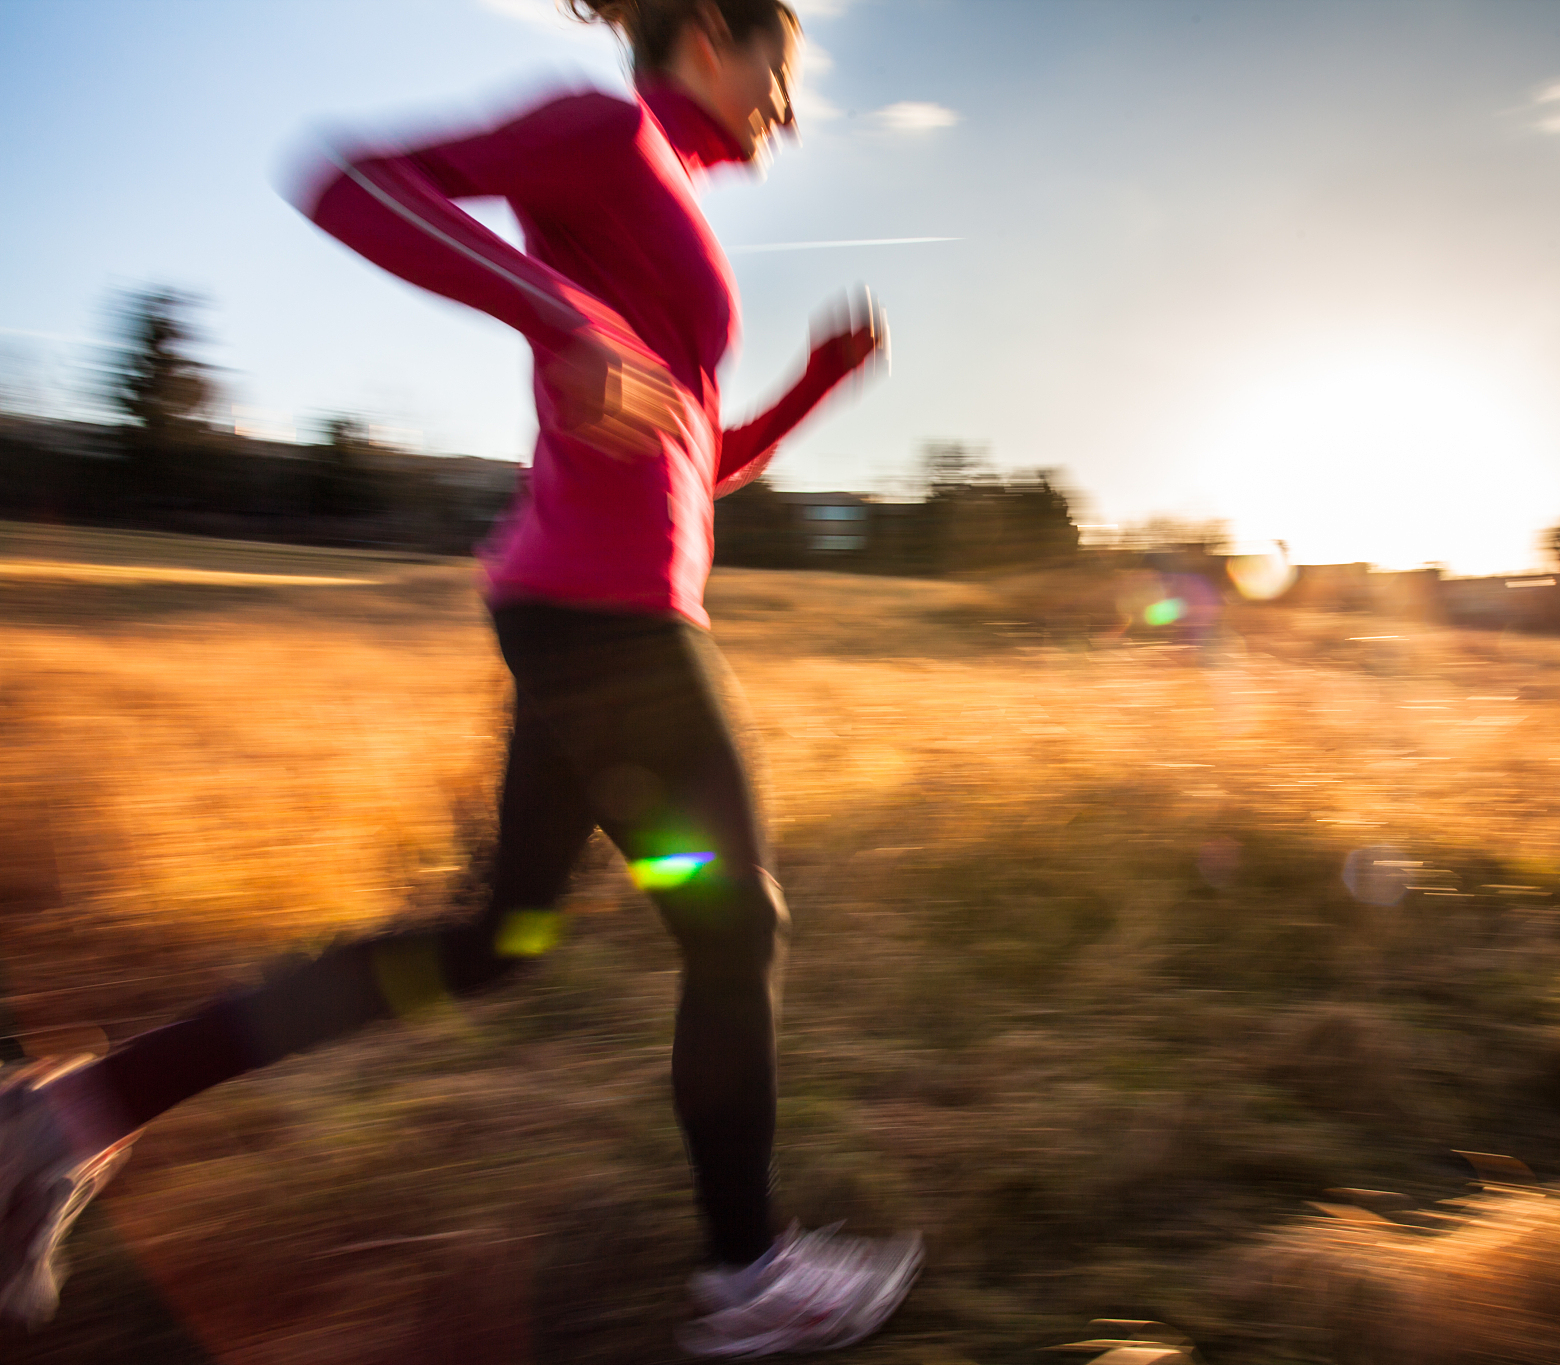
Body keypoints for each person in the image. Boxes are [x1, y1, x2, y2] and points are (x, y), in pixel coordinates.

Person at [0, 0, 921, 1355]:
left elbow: (691, 457)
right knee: (734, 928)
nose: (787, 105)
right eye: (781, 69)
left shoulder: (654, 186)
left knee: (497, 938)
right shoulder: (606, 130)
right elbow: (351, 180)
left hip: (582, 606)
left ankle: (58, 1124)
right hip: (612, 621)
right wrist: (553, 316)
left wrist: (810, 391)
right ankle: (751, 1272)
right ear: (711, 37)